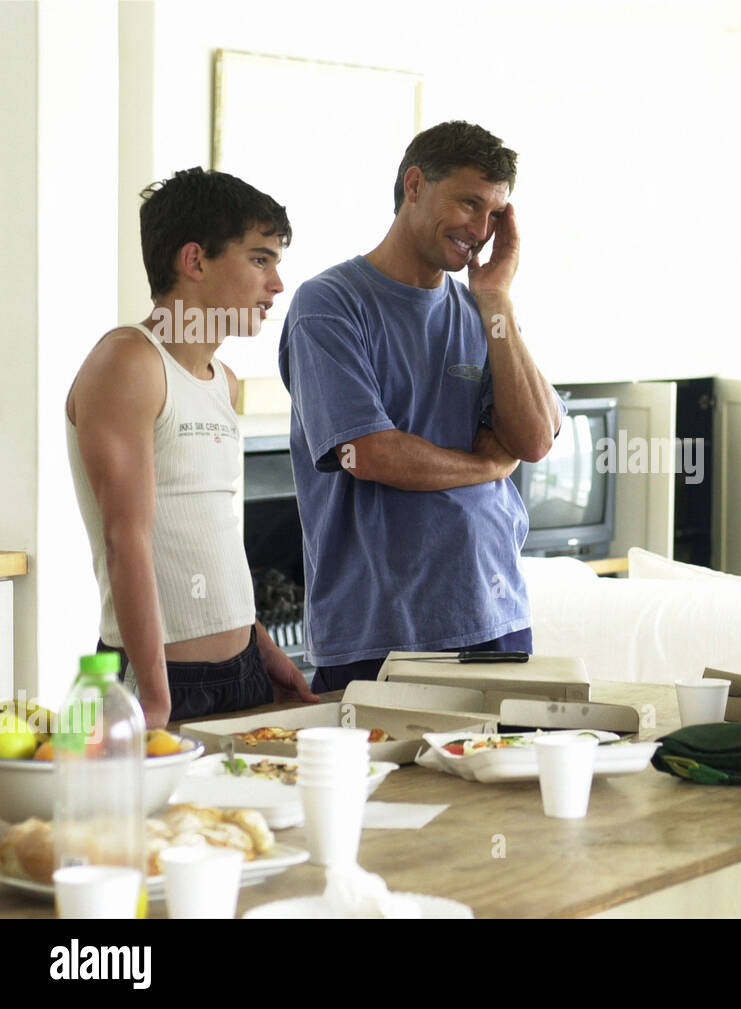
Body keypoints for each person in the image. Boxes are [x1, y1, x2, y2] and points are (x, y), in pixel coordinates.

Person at [279, 121, 563, 693]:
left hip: (496, 617)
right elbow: (374, 453)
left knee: (500, 781)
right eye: (468, 202)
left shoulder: (483, 312)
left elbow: (533, 441)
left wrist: (497, 299)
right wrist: (484, 465)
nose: (481, 231)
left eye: (495, 215)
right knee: (383, 786)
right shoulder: (329, 304)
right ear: (414, 185)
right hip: (379, 631)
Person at [66, 168, 318, 728]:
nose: (276, 284)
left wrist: (262, 645)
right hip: (160, 681)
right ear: (195, 261)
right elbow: (124, 538)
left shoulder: (222, 381)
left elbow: (207, 533)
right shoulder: (129, 362)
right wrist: (154, 698)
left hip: (246, 672)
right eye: (260, 259)